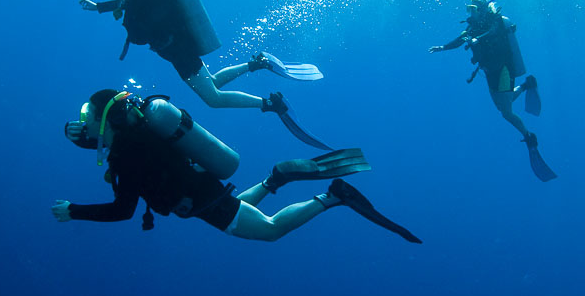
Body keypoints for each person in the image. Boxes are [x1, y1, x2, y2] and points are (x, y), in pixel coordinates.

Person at [52, 89, 421, 243]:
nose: (84, 123)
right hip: (203, 186)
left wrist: (75, 211)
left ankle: (331, 195)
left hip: (203, 200)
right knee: (233, 206)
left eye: (89, 118)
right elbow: (115, 143)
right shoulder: (141, 132)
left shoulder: (125, 156)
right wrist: (83, 137)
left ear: (107, 122)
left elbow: (122, 210)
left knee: (271, 231)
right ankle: (275, 179)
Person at [79, 0, 327, 149]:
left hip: (176, 48)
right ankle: (256, 64)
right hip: (175, 47)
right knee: (213, 82)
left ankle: (271, 104)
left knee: (213, 100)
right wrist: (98, 7)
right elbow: (128, 2)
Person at [429, 0, 556, 181]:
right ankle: (527, 85)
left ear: (482, 9)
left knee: (506, 112)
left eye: (474, 8)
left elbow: (493, 33)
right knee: (501, 105)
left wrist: (477, 40)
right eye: (469, 9)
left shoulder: (495, 22)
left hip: (504, 70)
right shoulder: (473, 26)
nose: (471, 12)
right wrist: (443, 47)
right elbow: (460, 39)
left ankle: (529, 136)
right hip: (490, 71)